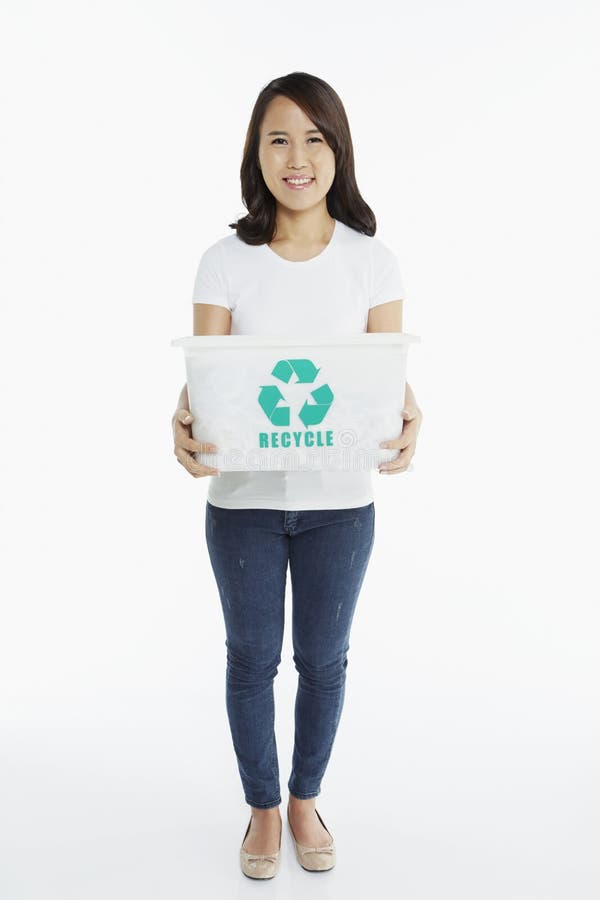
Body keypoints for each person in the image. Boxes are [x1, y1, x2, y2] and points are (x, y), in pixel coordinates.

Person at [171, 72, 423, 879]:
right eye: (278, 137)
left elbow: (384, 381)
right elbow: (205, 380)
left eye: (315, 137)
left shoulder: (372, 264)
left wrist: (413, 412)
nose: (297, 156)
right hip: (242, 502)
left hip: (339, 506)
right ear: (256, 152)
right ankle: (264, 809)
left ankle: (307, 797)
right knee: (251, 660)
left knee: (325, 660)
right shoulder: (224, 263)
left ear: (338, 152)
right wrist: (181, 416)